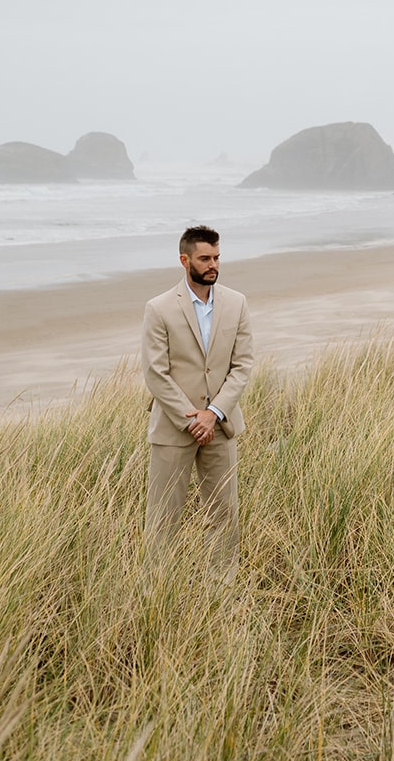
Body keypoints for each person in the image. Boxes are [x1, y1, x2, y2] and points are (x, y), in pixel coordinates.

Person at [141, 225, 254, 573]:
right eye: (205, 258)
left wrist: (213, 413)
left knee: (224, 515)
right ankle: (156, 590)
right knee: (163, 518)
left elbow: (242, 365)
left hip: (221, 426)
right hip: (175, 428)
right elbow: (155, 372)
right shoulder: (159, 308)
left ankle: (221, 590)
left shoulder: (237, 303)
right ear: (184, 260)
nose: (213, 265)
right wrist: (192, 418)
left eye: (217, 257)